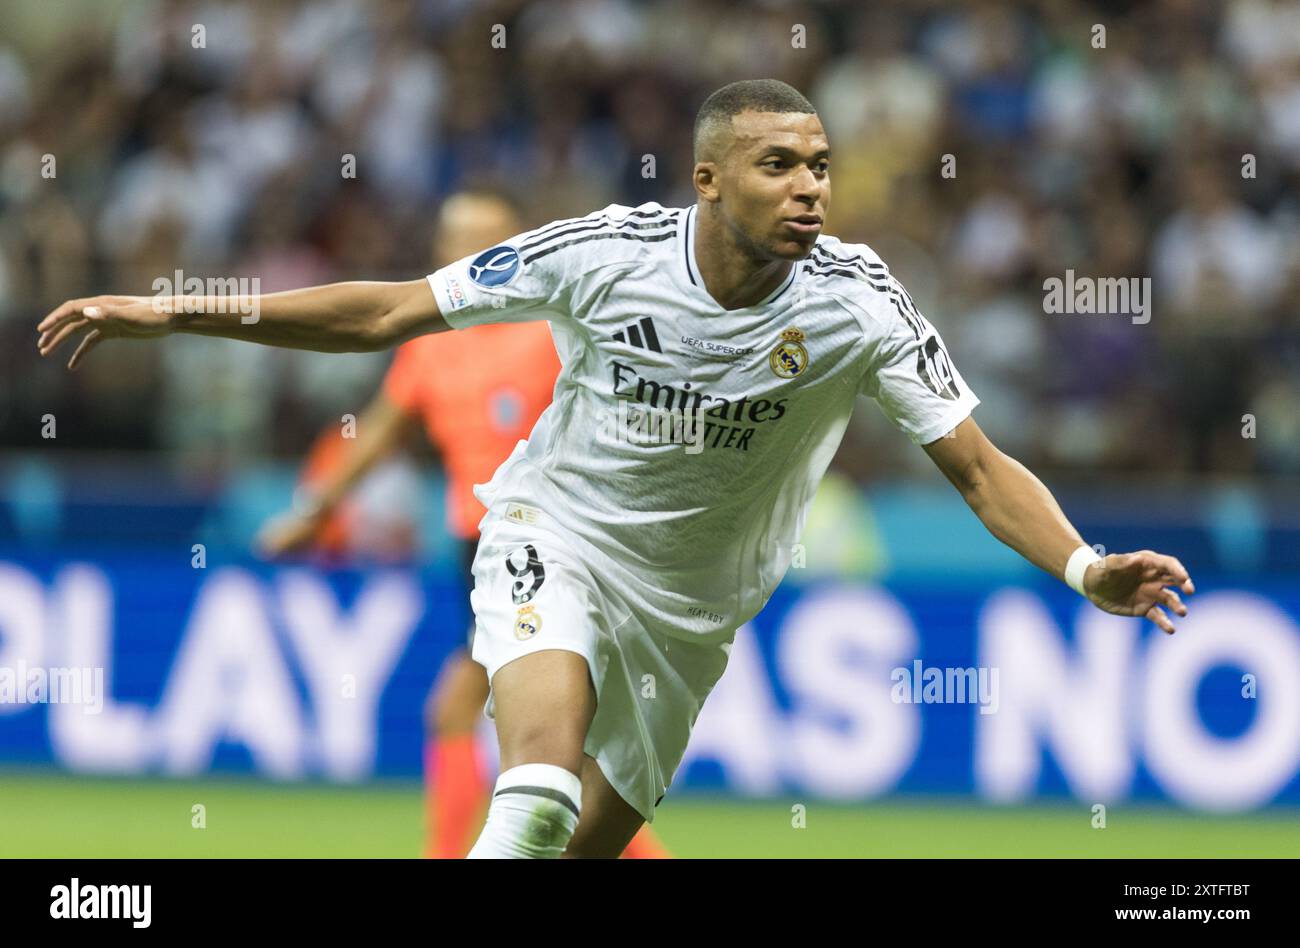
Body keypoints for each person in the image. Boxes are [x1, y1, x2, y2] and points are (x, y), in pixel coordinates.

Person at [38, 78, 1195, 859]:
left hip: (692, 614)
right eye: (779, 165)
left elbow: (981, 470)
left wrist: (1085, 569)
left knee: (573, 849)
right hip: (557, 535)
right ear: (707, 178)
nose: (810, 189)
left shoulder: (859, 304)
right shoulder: (603, 254)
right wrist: (181, 307)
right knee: (532, 787)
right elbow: (385, 311)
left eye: (821, 167)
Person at [255, 187, 668, 858]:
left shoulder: (553, 330)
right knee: (568, 759)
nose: (474, 249)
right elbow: (379, 434)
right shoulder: (429, 348)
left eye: (490, 236)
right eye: (459, 237)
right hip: (475, 553)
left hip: (552, 544)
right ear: (443, 252)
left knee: (467, 718)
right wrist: (315, 511)